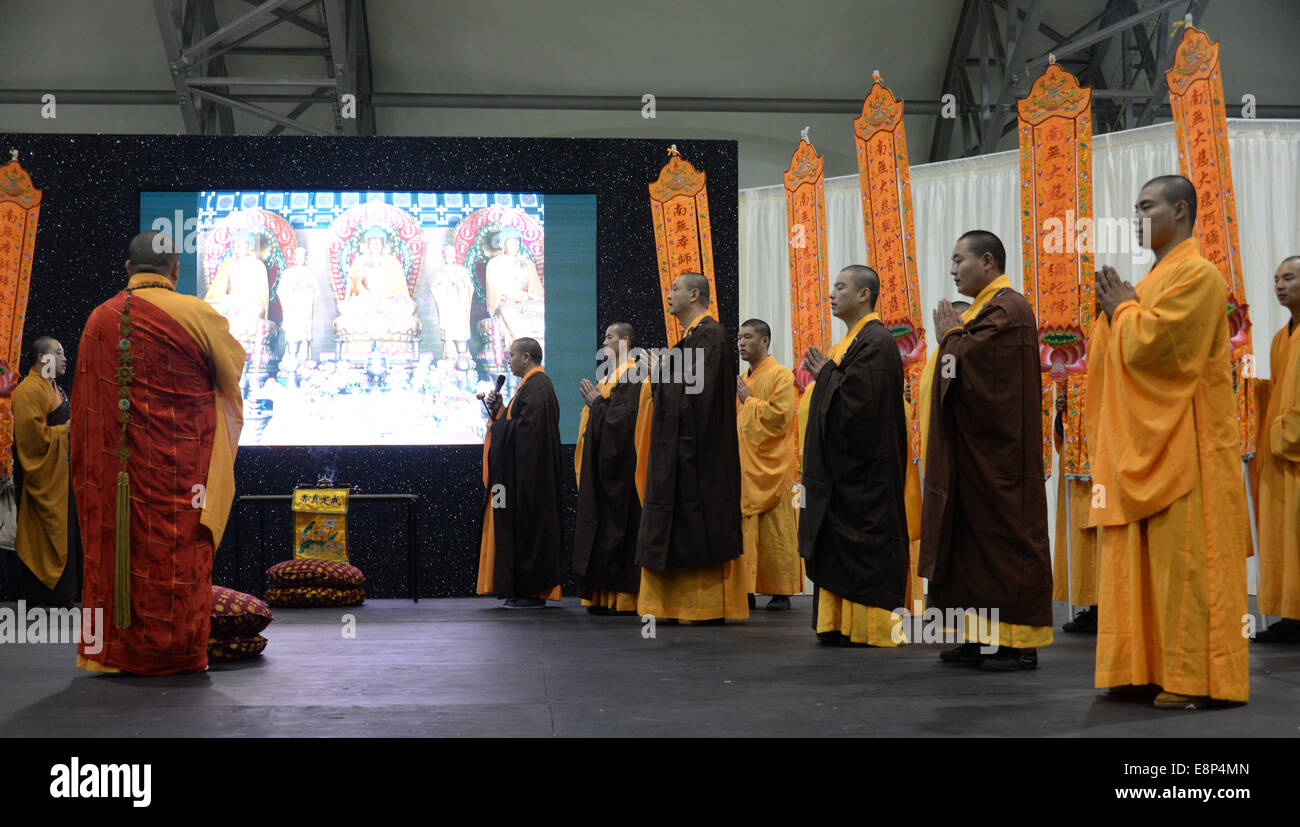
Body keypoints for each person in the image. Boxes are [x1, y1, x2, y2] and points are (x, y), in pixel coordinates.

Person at [1089, 175, 1250, 708]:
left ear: (1180, 211)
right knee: (1143, 563)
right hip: (1142, 443)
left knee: (1186, 563)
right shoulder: (1153, 278)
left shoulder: (1199, 275)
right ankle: (1140, 668)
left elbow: (1162, 349)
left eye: (1146, 206)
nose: (1136, 217)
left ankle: (1196, 678)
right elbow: (1124, 346)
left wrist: (1123, 312)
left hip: (1189, 446)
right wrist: (1111, 317)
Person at [72, 231, 245, 674]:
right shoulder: (197, 313)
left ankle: (110, 656)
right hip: (183, 470)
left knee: (114, 552)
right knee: (181, 558)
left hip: (115, 476)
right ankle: (180, 653)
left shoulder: (98, 319)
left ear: (128, 270)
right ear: (176, 271)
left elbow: (87, 410)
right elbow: (231, 371)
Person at [919, 230, 1053, 671]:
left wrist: (950, 340)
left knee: (1003, 545)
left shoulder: (1009, 308)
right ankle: (978, 635)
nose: (953, 269)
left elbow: (978, 372)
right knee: (969, 549)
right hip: (974, 455)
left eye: (960, 260)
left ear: (989, 261)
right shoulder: (982, 310)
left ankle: (1018, 642)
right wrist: (953, 339)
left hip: (1003, 459)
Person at [798, 267, 908, 645]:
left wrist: (827, 374)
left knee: (865, 545)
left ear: (864, 295)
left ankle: (868, 628)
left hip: (865, 476)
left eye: (840, 286)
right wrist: (827, 374)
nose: (831, 293)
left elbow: (862, 408)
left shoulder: (877, 342)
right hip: (839, 475)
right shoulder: (849, 341)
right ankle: (838, 622)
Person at [635, 273, 746, 623]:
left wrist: (661, 375)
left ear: (695, 294)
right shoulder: (691, 339)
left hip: (701, 458)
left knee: (696, 527)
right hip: (682, 454)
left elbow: (701, 399)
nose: (669, 294)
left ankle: (702, 607)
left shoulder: (711, 336)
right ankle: (675, 606)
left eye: (675, 289)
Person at [477, 337, 564, 608]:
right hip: (523, 476)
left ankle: (532, 592)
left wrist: (499, 429)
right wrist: (498, 409)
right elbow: (518, 424)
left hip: (531, 479)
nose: (508, 360)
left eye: (512, 355)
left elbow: (529, 433)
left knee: (531, 530)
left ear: (526, 357)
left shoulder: (538, 387)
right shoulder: (528, 387)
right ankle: (522, 589)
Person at [573, 323, 647, 614]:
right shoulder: (611, 376)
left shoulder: (635, 373)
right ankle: (602, 596)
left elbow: (624, 422)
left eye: (609, 337)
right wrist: (598, 405)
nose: (603, 342)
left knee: (618, 528)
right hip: (601, 467)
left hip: (621, 468)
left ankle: (622, 599)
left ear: (626, 341)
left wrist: (597, 405)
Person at [736, 318, 802, 611]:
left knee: (776, 527)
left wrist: (749, 402)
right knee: (745, 529)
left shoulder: (781, 375)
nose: (741, 343)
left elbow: (781, 417)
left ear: (764, 341)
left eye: (748, 337)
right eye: (739, 338)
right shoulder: (742, 378)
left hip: (774, 465)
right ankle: (745, 587)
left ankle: (780, 590)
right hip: (745, 464)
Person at [12, 335, 80, 607]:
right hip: (44, 478)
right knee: (46, 531)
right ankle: (44, 593)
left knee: (67, 530)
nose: (65, 358)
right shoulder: (28, 389)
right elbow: (32, 439)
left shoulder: (55, 388)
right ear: (42, 359)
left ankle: (64, 591)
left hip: (62, 476)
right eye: (59, 353)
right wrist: (64, 431)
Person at [1254, 255, 1300, 642]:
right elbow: (1277, 391)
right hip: (1280, 448)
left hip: (1295, 446)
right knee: (1283, 534)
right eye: (1276, 279)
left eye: (1289, 278)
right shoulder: (1278, 339)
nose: (1279, 286)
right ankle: (1289, 616)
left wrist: (1285, 431)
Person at [1052, 391, 1099, 633]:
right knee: (1080, 537)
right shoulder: (1072, 374)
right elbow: (1062, 439)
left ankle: (1107, 606)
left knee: (1102, 533)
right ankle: (1093, 605)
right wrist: (1064, 415)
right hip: (1075, 466)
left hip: (1102, 459)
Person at [430, 242, 474, 360]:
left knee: (461, 327)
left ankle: (464, 352)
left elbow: (469, 287)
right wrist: (447, 285)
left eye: (451, 254)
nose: (449, 257)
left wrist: (460, 285)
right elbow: (435, 288)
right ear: (443, 256)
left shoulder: (462, 270)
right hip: (447, 303)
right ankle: (449, 353)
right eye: (447, 255)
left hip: (460, 303)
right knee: (449, 328)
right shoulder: (439, 271)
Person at [278, 247, 316, 364]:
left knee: (304, 334)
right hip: (292, 308)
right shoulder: (288, 273)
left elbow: (314, 292)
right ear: (294, 258)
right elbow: (281, 291)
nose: (300, 259)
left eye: (302, 257)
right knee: (292, 333)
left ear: (306, 258)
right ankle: (289, 360)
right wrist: (292, 290)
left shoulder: (309, 273)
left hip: (304, 308)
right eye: (297, 256)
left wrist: (305, 291)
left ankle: (304, 361)